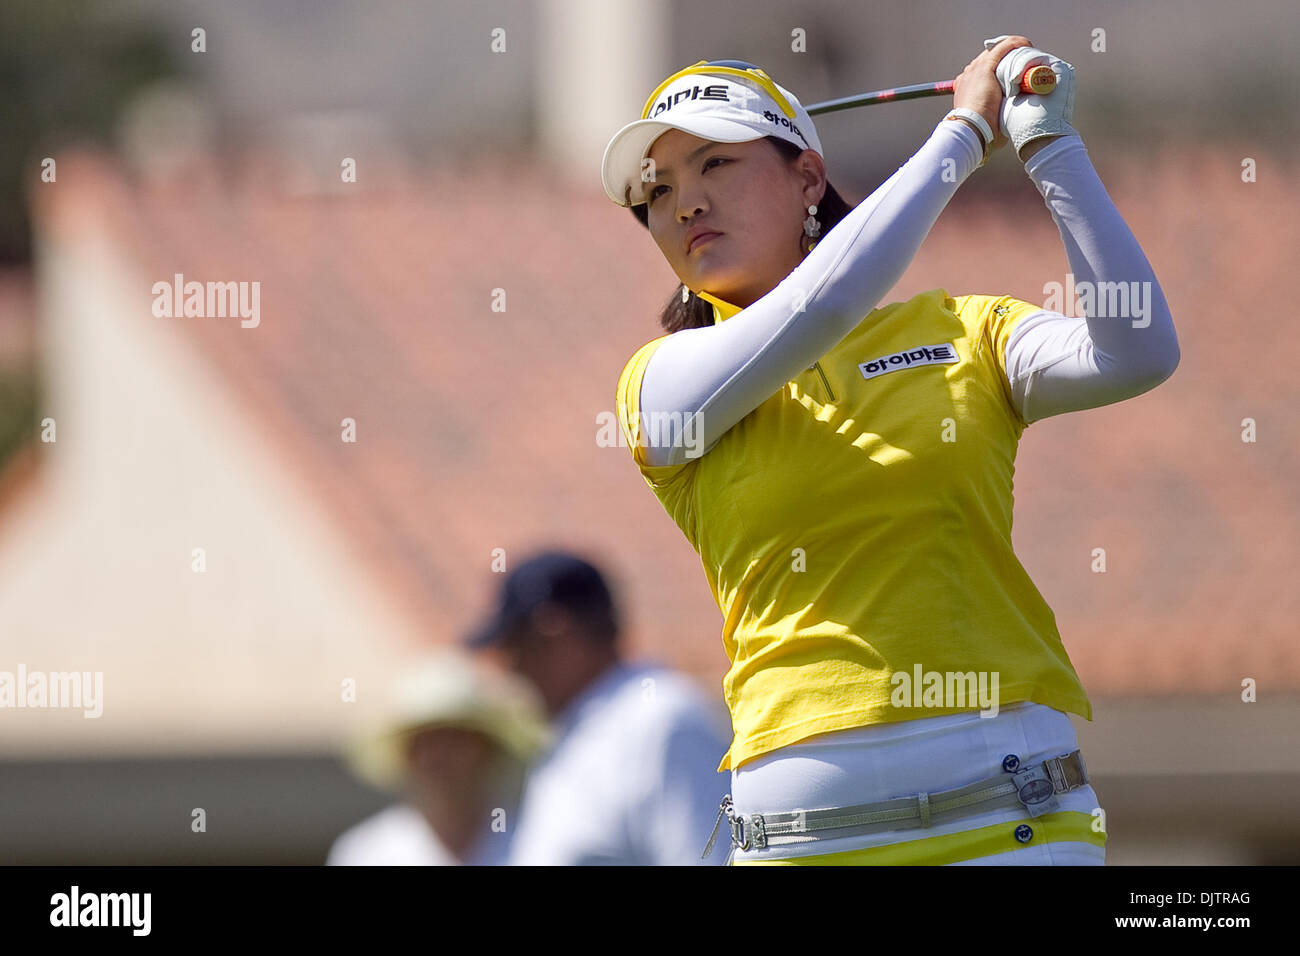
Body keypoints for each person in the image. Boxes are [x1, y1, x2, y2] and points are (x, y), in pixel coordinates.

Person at [600, 37, 1179, 864]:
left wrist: (1048, 142)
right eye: (658, 192)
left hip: (1013, 819)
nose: (685, 204)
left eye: (716, 167)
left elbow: (1138, 351)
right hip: (804, 841)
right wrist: (961, 138)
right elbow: (824, 304)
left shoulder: (963, 333)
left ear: (807, 177)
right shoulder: (661, 385)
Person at [464, 550, 733, 864]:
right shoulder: (582, 729)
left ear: (554, 631)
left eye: (515, 648)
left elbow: (704, 859)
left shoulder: (661, 720)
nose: (511, 670)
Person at [327, 649, 550, 865]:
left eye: (455, 740)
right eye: (427, 743)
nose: (441, 757)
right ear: (407, 756)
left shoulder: (535, 842)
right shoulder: (366, 853)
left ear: (486, 749)